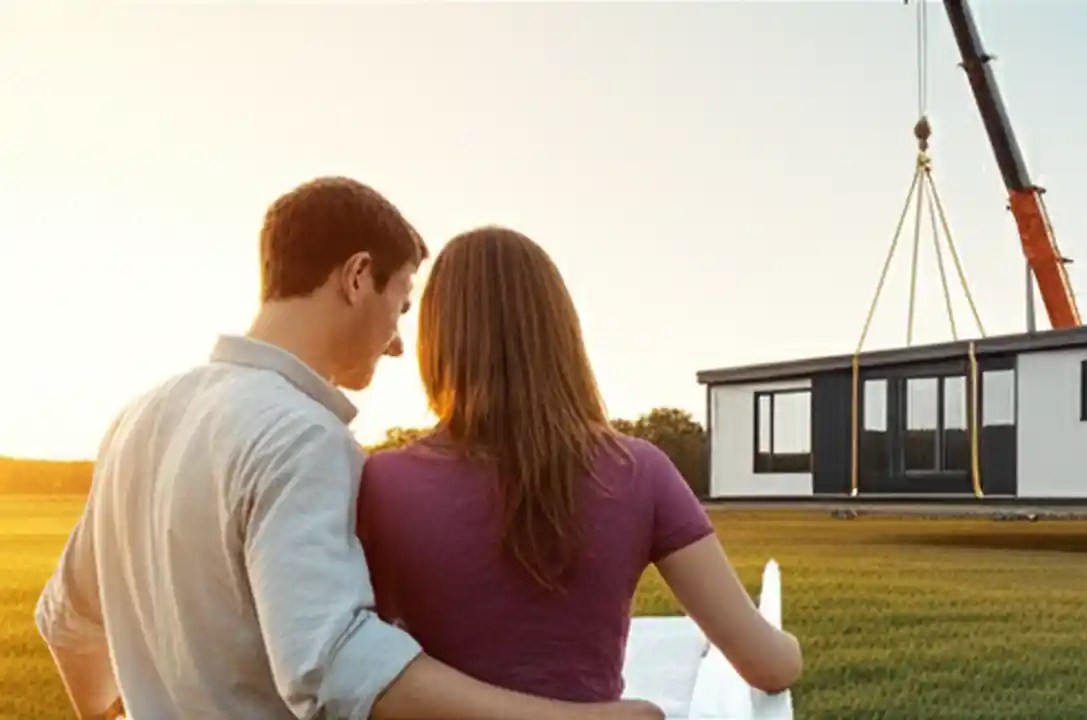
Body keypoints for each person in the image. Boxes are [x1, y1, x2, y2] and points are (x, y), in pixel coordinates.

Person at [34, 178, 663, 720]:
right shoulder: (302, 436)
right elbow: (333, 663)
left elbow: (65, 619)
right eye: (401, 306)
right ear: (359, 277)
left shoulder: (139, 418)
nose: (396, 344)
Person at [356, 225, 803, 705]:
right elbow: (768, 664)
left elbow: (355, 668)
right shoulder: (637, 470)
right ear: (560, 332)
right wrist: (789, 645)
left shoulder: (379, 483)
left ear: (438, 340)